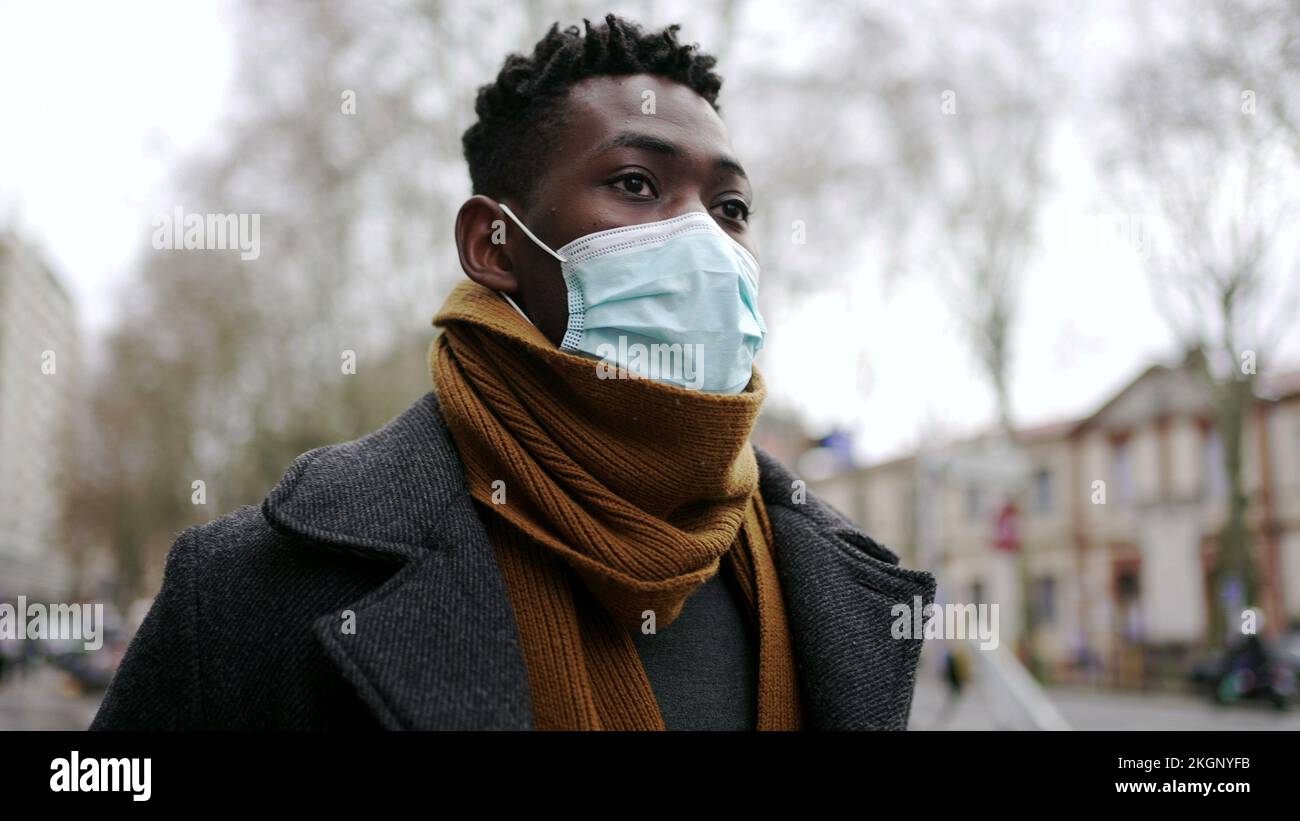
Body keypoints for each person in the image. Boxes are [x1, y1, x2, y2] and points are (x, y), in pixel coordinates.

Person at [90, 13, 935, 731]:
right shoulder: (253, 589)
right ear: (491, 246)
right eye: (637, 183)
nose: (705, 240)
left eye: (731, 209)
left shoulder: (825, 579)